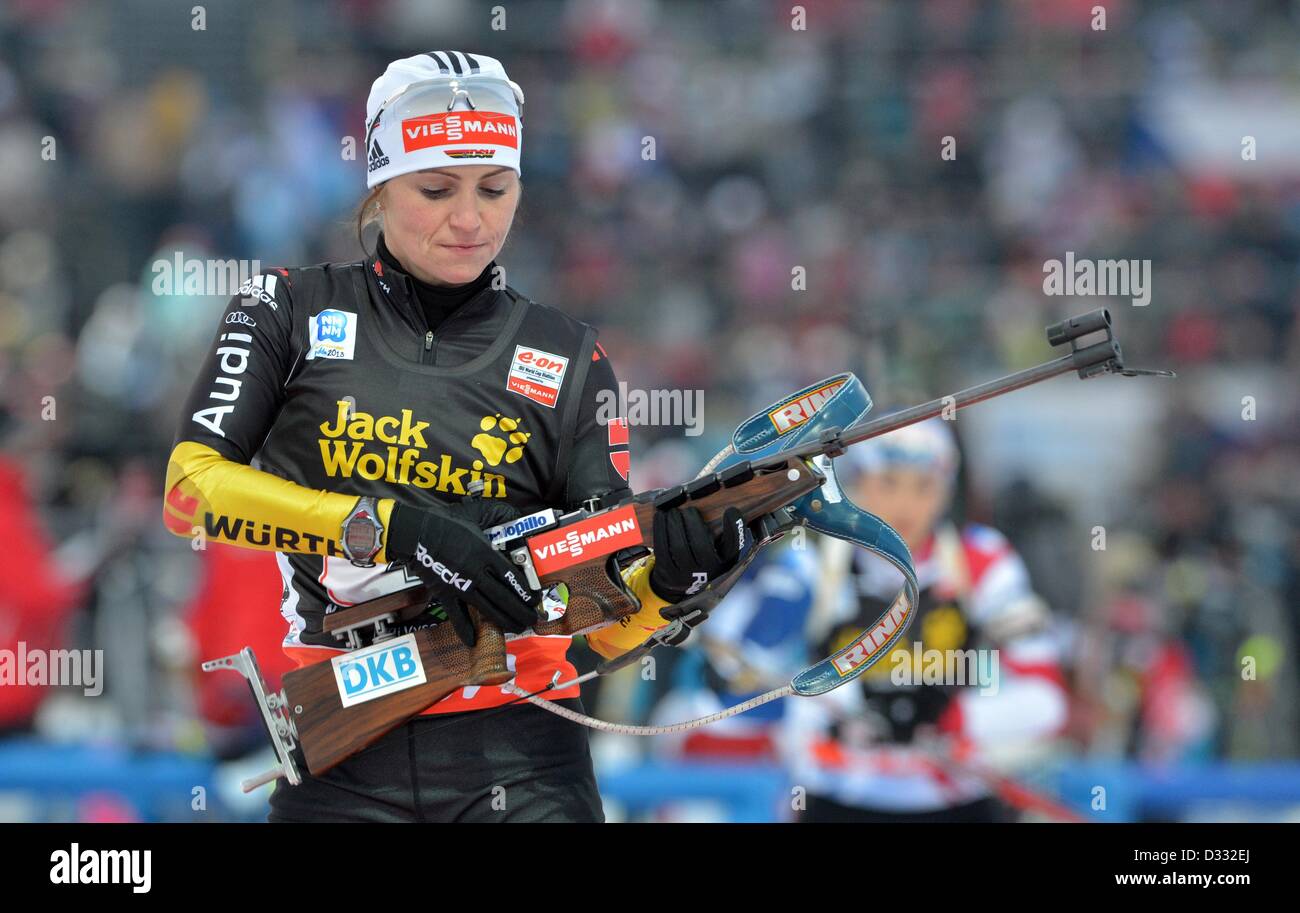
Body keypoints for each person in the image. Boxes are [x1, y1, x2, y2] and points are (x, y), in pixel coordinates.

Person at [162, 52, 749, 823]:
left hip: (526, 753)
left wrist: (677, 584)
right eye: (435, 189)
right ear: (377, 184)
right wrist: (390, 527)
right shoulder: (286, 308)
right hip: (341, 737)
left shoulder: (569, 355)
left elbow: (600, 624)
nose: (470, 220)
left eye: (495, 188)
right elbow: (189, 491)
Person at [695, 418, 1068, 821]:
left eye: (924, 486)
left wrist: (953, 717)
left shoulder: (982, 560)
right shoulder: (811, 562)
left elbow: (1047, 703)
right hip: (838, 802)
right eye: (888, 482)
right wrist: (835, 708)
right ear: (856, 484)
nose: (906, 505)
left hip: (956, 801)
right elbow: (727, 689)